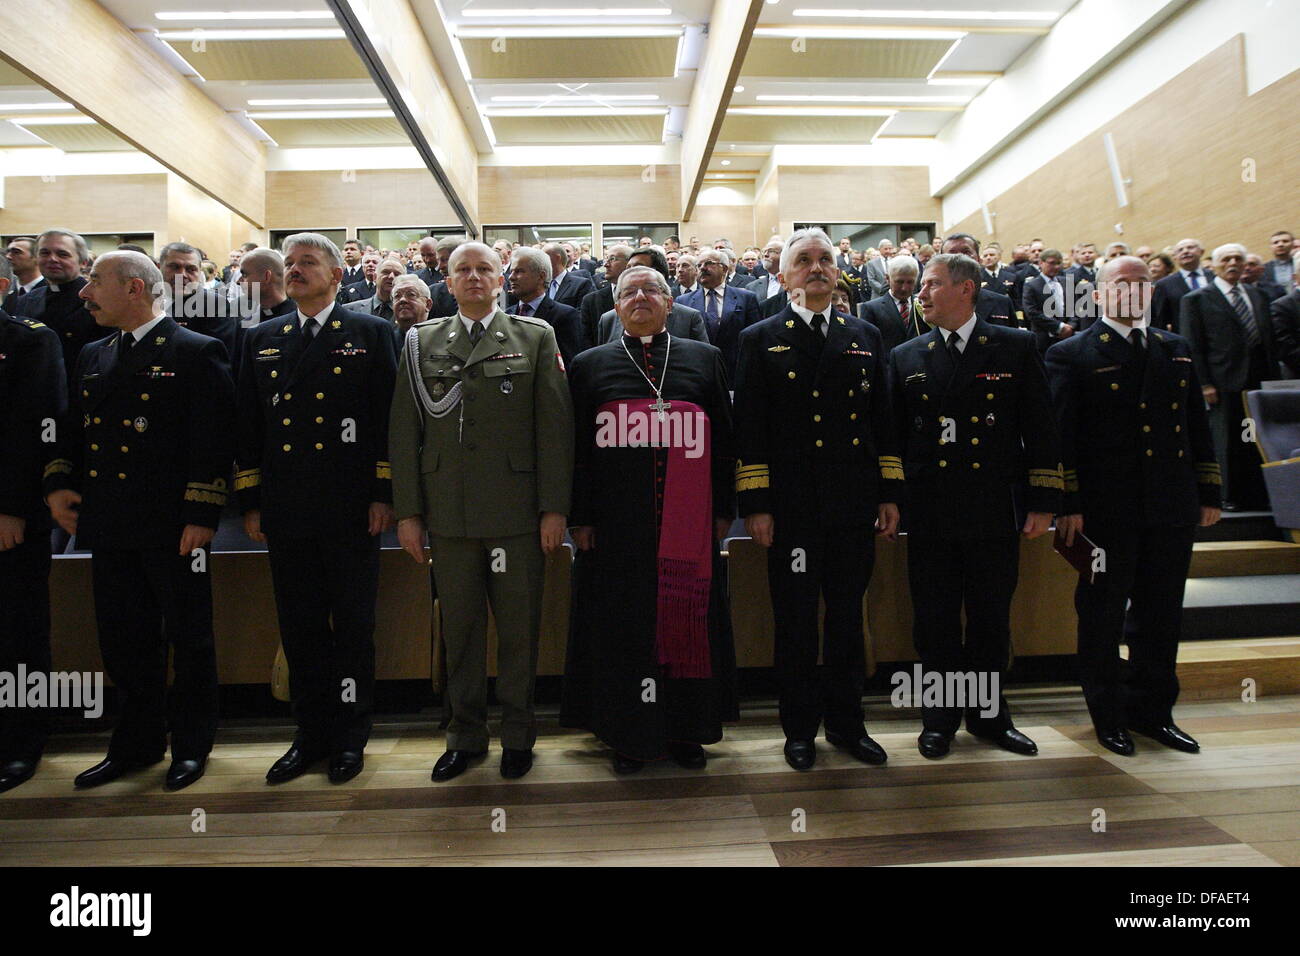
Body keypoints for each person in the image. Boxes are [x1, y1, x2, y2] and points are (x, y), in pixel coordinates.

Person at [44, 251, 234, 791]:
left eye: (95, 282)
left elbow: (213, 440)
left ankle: (192, 745)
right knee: (123, 639)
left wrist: (201, 512)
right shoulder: (93, 354)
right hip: (108, 522)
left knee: (188, 637)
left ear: (134, 289)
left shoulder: (196, 350)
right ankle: (135, 741)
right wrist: (59, 486)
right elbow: (71, 431)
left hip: (173, 525)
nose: (84, 293)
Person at [389, 242, 573, 782]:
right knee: (461, 631)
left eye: (484, 269)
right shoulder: (420, 341)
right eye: (462, 270)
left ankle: (518, 735)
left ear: (503, 280)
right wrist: (408, 513)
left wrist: (553, 509)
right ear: (446, 282)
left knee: (519, 630)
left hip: (517, 515)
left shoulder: (535, 337)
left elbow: (555, 432)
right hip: (449, 514)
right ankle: (464, 735)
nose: (473, 278)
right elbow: (405, 433)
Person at [733, 228, 902, 771]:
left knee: (850, 619)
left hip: (852, 503)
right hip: (792, 508)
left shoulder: (865, 334)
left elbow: (884, 421)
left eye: (825, 260)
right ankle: (799, 729)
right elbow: (750, 427)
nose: (816, 268)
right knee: (797, 621)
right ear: (782, 277)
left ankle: (849, 724)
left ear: (838, 271)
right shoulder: (760, 337)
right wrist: (756, 503)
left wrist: (889, 492)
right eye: (803, 261)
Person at [561, 265, 738, 772]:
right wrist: (582, 518)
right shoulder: (590, 365)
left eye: (652, 290)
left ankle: (686, 730)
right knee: (626, 628)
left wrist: (724, 510)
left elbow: (725, 441)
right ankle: (628, 734)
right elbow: (576, 452)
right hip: (618, 527)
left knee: (686, 622)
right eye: (629, 292)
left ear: (670, 302)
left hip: (691, 525)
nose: (640, 297)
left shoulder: (705, 358)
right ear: (615, 307)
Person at [236, 233, 397, 785]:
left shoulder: (371, 332)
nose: (296, 270)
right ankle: (309, 735)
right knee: (300, 625)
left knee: (353, 627)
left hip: (351, 505)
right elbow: (248, 426)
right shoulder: (262, 336)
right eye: (290, 264)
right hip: (287, 505)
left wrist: (383, 492)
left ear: (335, 274)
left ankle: (351, 737)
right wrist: (251, 500)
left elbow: (386, 421)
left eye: (308, 263)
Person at [887, 253, 1062, 759]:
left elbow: (1041, 429)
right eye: (921, 286)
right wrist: (892, 501)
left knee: (989, 620)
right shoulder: (907, 356)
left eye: (934, 285)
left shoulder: (1014, 346)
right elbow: (894, 442)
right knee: (935, 622)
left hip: (992, 508)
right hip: (932, 511)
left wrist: (1044, 499)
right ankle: (939, 719)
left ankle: (989, 718)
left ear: (967, 290)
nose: (922, 295)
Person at [1047, 256, 1221, 757]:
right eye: (1122, 283)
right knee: (1101, 613)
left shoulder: (1176, 348)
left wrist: (1208, 491)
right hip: (1105, 509)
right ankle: (1109, 715)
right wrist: (1069, 502)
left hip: (1169, 502)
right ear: (1099, 294)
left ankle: (1154, 712)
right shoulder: (1072, 353)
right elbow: (1064, 438)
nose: (1134, 290)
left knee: (1162, 612)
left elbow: (1196, 428)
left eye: (1143, 282)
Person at [0, 257, 66, 793]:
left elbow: (36, 430)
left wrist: (13, 508)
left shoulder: (28, 342)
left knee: (16, 633)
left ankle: (20, 743)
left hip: (9, 516)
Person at [1179, 243, 1279, 510]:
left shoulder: (1257, 295)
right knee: (1228, 440)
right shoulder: (1197, 299)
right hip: (1223, 381)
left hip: (1259, 380)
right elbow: (1193, 345)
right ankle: (1228, 494)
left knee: (1255, 436)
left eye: (1238, 258)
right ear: (1215, 264)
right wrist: (1204, 383)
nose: (1233, 263)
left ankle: (1259, 492)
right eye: (1226, 259)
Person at [14, 230, 100, 401]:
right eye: (45, 253)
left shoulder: (97, 300)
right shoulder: (25, 300)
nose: (52, 259)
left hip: (75, 397)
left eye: (62, 254)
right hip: (30, 399)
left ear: (83, 262)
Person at [676, 248, 762, 381]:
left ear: (725, 268)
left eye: (708, 263)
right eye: (699, 265)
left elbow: (755, 339)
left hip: (736, 372)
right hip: (698, 372)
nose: (703, 268)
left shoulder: (746, 298)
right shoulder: (683, 301)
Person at [506, 247, 585, 368]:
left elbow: (570, 366)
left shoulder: (565, 316)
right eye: (511, 271)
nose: (511, 277)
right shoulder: (507, 314)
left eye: (519, 271)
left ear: (541, 276)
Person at [858, 254, 922, 353]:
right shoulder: (871, 309)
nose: (904, 288)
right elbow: (868, 345)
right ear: (887, 279)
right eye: (899, 282)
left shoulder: (923, 306)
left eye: (910, 282)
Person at [1151, 238, 1213, 331]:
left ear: (1201, 252)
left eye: (1190, 247)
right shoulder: (1164, 284)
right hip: (1185, 338)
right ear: (1175, 257)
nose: (1185, 251)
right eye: (1180, 250)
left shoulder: (1214, 276)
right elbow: (1160, 320)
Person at [343, 256, 404, 321]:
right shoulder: (349, 310)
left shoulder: (412, 313)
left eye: (397, 274)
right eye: (386, 272)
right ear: (375, 277)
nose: (391, 276)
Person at [4, 236, 46, 313]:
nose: (8, 257)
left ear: (37, 257)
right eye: (8, 252)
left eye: (16, 252)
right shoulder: (6, 291)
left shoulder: (49, 290)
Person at [391, 273, 432, 339]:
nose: (402, 300)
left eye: (411, 295)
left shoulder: (440, 338)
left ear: (428, 304)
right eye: (397, 296)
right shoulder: (387, 340)